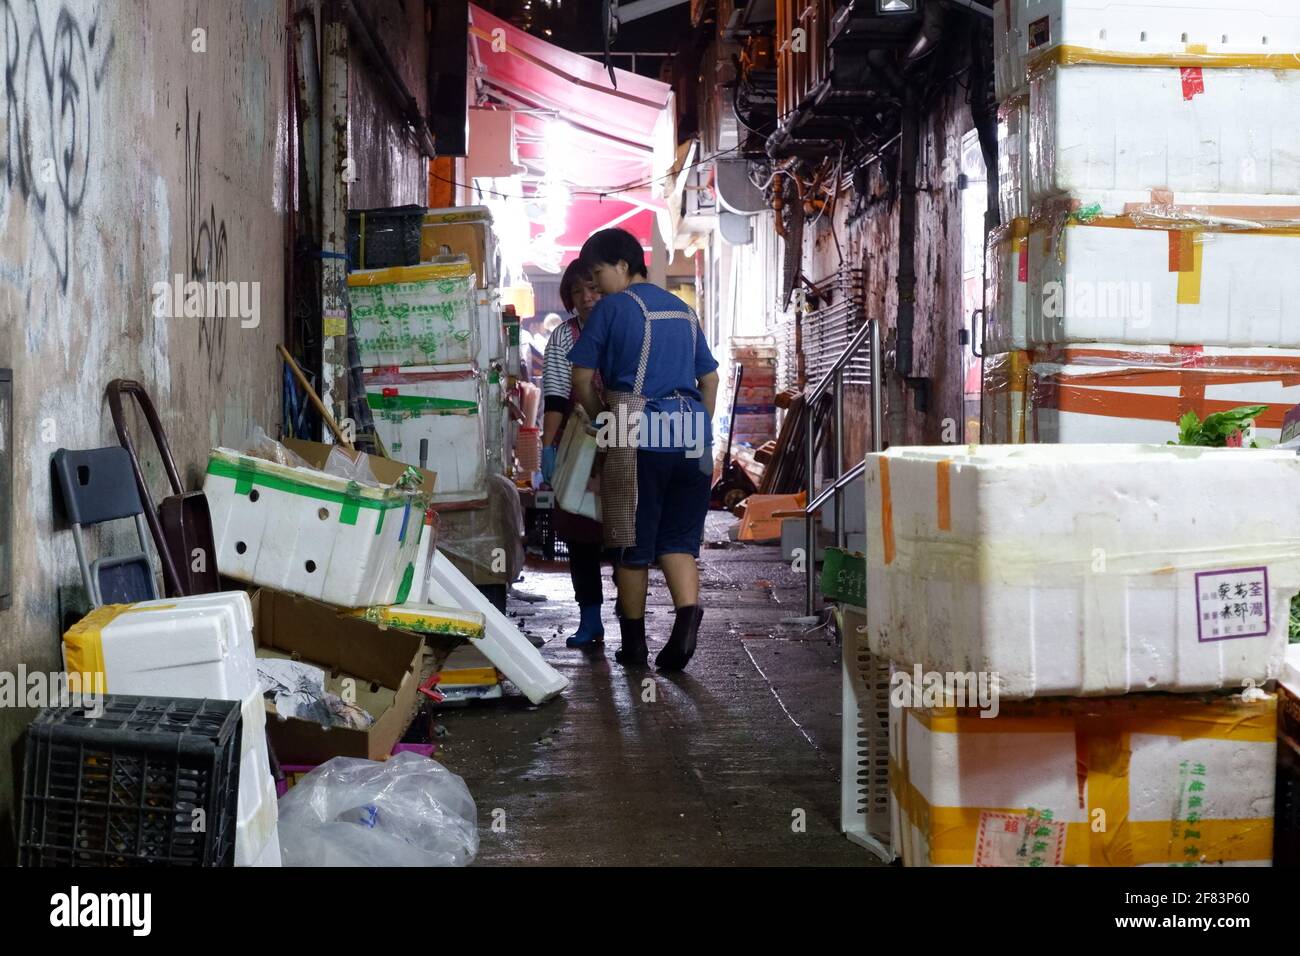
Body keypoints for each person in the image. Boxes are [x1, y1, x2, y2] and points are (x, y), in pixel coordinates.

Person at [567, 228, 720, 671]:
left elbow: (580, 380)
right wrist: (700, 425)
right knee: (677, 540)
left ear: (621, 265)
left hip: (638, 430)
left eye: (597, 274)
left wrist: (602, 419)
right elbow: (708, 380)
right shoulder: (684, 310)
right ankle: (687, 621)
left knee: (631, 544)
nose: (595, 286)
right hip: (692, 436)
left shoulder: (613, 309)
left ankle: (634, 647)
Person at [541, 261, 611, 648]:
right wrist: (548, 450)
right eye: (578, 292)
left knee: (623, 537)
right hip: (578, 446)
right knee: (581, 536)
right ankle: (590, 619)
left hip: (623, 442)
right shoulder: (563, 338)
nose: (587, 298)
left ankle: (630, 619)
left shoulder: (626, 330)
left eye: (594, 289)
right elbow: (554, 397)